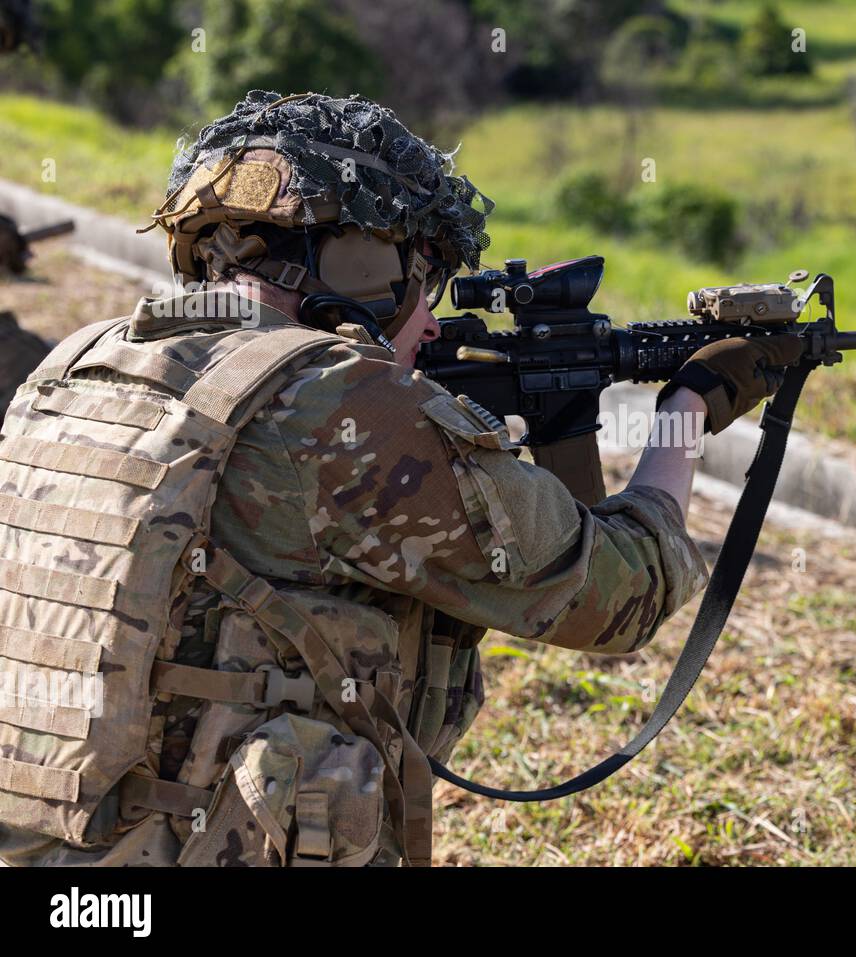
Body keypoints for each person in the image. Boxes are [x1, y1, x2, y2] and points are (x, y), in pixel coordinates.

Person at [0, 91, 801, 866]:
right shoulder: (336, 401)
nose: (429, 320)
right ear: (360, 267)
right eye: (423, 279)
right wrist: (690, 408)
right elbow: (617, 595)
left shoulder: (72, 365)